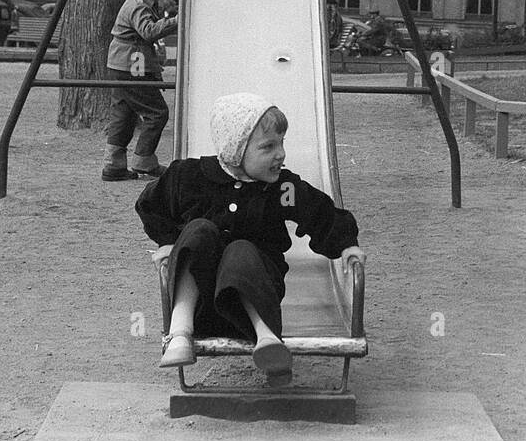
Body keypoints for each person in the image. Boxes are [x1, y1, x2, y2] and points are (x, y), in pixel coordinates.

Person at [137, 92, 365, 385]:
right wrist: (168, 241)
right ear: (236, 150)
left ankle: (268, 339)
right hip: (204, 304)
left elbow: (320, 213)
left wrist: (347, 244)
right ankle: (179, 330)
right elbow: (151, 205)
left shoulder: (281, 188)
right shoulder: (190, 176)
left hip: (259, 296)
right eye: (268, 147)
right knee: (198, 231)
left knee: (241, 250)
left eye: (281, 143)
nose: (280, 154)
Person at [102, 0, 178, 182]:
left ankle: (113, 164)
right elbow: (148, 31)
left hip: (121, 64)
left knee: (123, 115)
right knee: (157, 113)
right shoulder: (137, 5)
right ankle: (143, 160)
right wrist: (177, 20)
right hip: (132, 65)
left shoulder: (139, 2)